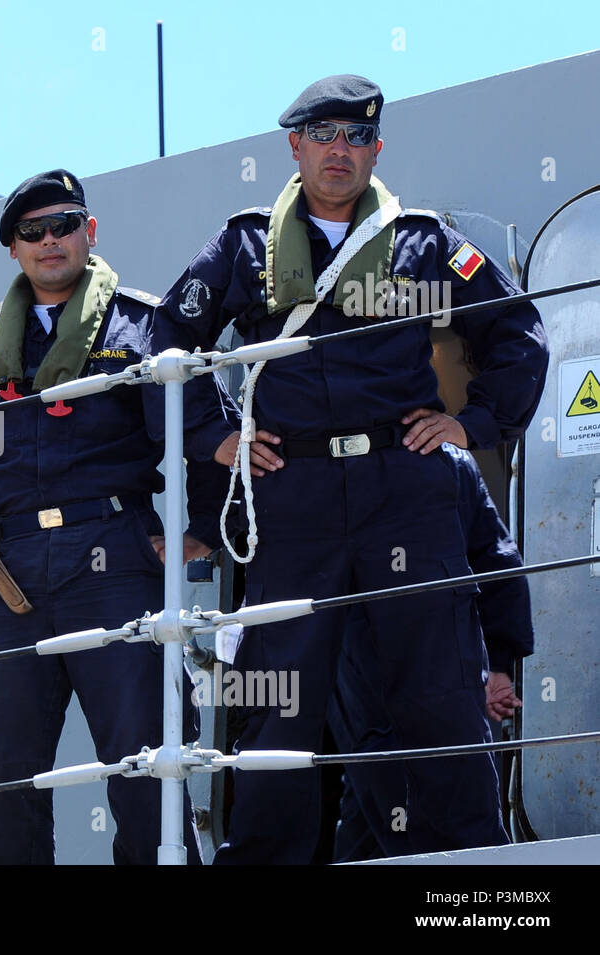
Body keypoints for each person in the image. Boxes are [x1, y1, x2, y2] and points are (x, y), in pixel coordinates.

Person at [162, 75, 548, 863]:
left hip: (404, 486)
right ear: (294, 145)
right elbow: (170, 341)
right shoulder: (242, 247)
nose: (340, 151)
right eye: (324, 135)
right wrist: (217, 435)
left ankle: (475, 879)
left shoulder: (426, 241)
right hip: (292, 493)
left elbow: (518, 330)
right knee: (281, 702)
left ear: (377, 148)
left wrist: (469, 424)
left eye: (356, 137)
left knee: (439, 695)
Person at [0, 170, 232, 865]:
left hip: (115, 560)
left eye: (64, 224)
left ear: (90, 231)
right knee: (4, 769)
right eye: (32, 231)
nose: (49, 240)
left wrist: (199, 534)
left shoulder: (147, 325)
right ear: (13, 249)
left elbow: (208, 437)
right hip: (9, 573)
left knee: (144, 759)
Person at [329, 445, 532, 861]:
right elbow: (498, 561)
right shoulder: (451, 461)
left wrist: (497, 662)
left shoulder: (327, 455)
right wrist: (499, 663)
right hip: (429, 668)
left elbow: (497, 562)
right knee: (398, 804)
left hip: (370, 668)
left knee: (389, 800)